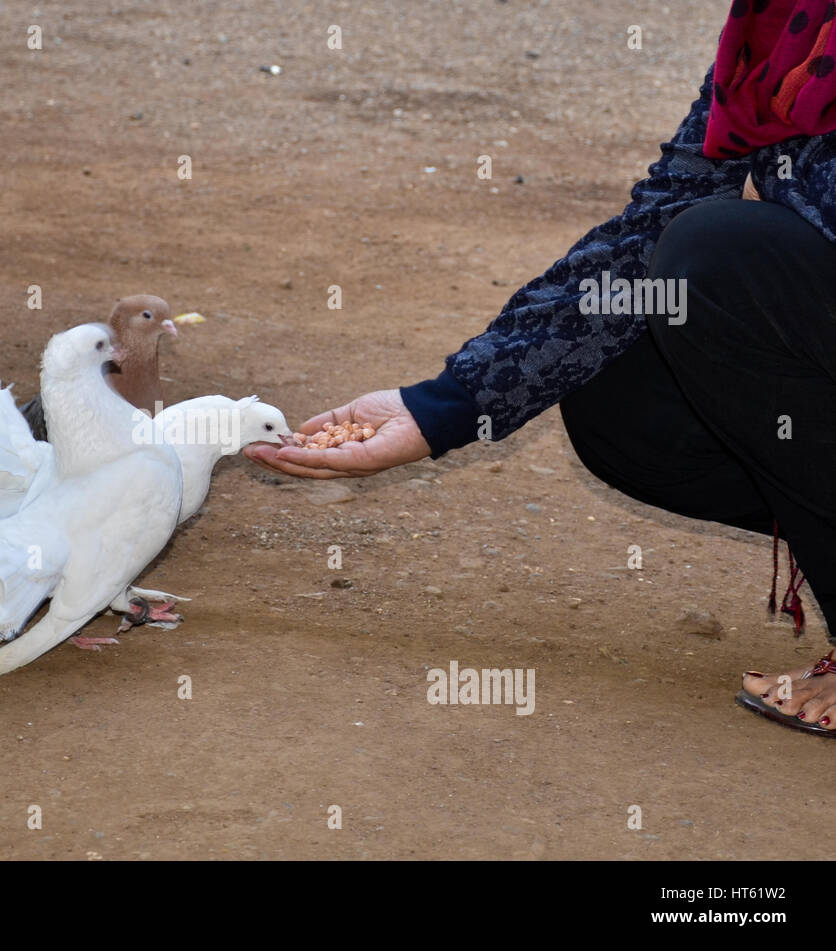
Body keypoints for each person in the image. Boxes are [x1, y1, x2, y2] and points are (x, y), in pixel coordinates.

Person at [246, 0, 836, 737]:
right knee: (614, 387)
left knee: (718, 259)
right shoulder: (783, 26)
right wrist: (445, 405)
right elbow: (647, 235)